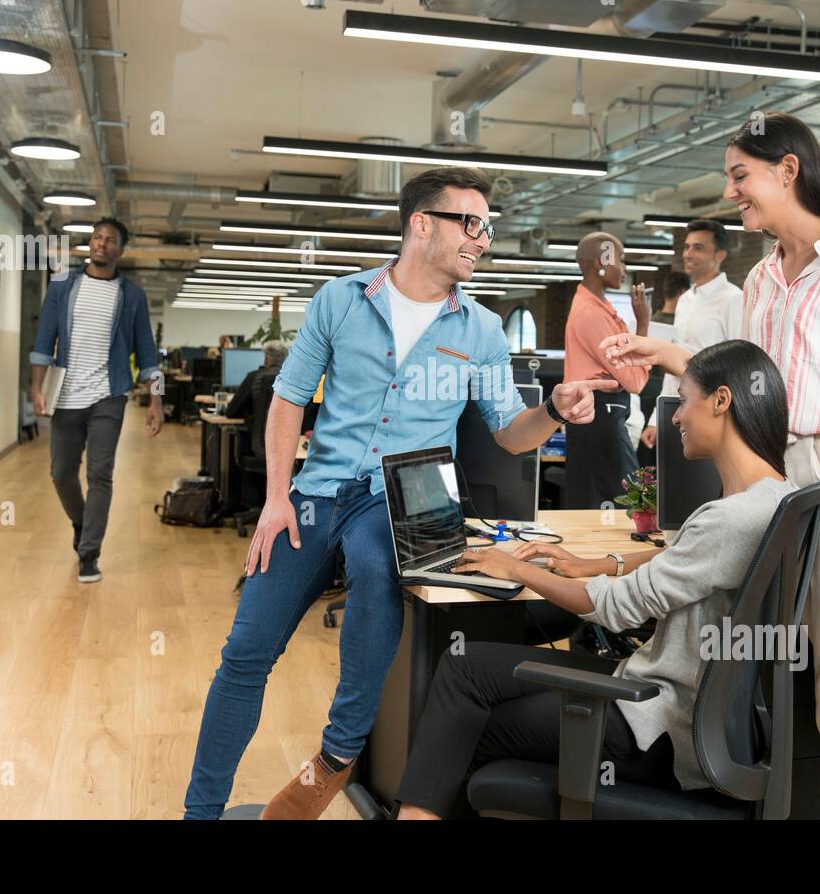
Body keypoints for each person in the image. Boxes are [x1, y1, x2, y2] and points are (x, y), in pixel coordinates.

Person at [183, 167, 618, 820]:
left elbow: (510, 434)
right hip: (320, 489)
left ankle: (337, 754)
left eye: (487, 227)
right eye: (471, 224)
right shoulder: (339, 301)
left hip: (416, 496)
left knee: (372, 560)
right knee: (244, 652)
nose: (483, 240)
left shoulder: (481, 330)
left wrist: (554, 409)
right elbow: (287, 399)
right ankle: (199, 814)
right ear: (422, 224)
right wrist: (276, 498)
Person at [600, 111, 820, 820]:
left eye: (740, 176)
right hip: (785, 485)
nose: (732, 194)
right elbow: (750, 384)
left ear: (788, 170)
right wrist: (666, 356)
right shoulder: (761, 282)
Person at [392, 340, 797, 819]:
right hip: (684, 708)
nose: (676, 417)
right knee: (465, 669)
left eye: (684, 401)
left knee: (469, 723)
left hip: (655, 724)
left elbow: (616, 609)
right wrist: (601, 563)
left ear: (722, 401)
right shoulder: (776, 498)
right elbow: (688, 566)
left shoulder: (728, 519)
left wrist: (516, 568)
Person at [29, 217, 163, 583]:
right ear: (90, 243)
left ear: (120, 250)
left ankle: (89, 553)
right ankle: (81, 521)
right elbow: (44, 340)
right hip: (66, 394)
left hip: (109, 395)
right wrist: (36, 387)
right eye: (96, 238)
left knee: (100, 474)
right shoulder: (62, 285)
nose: (101, 244)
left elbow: (149, 353)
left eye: (110, 240)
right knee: (61, 473)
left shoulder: (132, 296)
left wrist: (156, 401)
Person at [563, 232, 651, 510]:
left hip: (602, 417)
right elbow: (634, 380)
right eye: (620, 260)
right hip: (600, 419)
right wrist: (644, 325)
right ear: (601, 262)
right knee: (625, 503)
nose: (624, 268)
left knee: (607, 500)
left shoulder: (600, 309)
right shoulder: (592, 315)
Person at [640, 219, 742, 450]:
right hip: (676, 406)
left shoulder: (733, 298)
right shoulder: (685, 300)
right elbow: (672, 360)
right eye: (686, 247)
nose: (688, 254)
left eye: (698, 247)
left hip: (712, 410)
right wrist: (656, 419)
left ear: (720, 255)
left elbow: (738, 365)